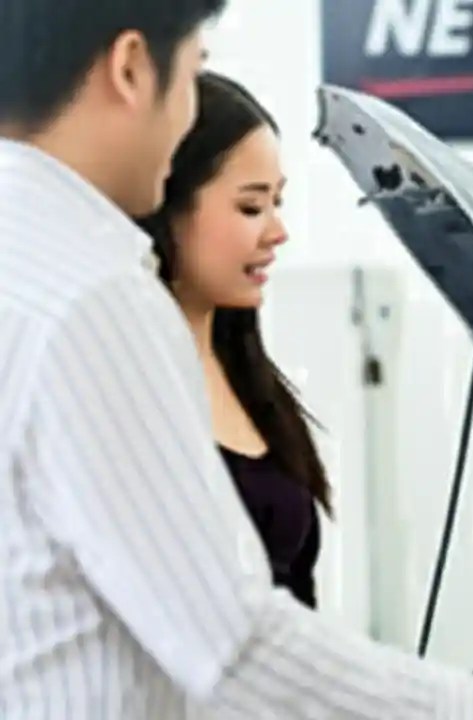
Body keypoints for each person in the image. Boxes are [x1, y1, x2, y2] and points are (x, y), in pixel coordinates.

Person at [0, 2, 473, 718]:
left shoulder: (26, 263)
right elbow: (229, 642)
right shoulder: (93, 293)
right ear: (131, 67)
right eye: (194, 71)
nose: (188, 110)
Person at [135, 70, 327, 610]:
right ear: (166, 206)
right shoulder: (125, 383)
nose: (277, 231)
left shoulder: (248, 375)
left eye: (277, 203)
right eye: (250, 207)